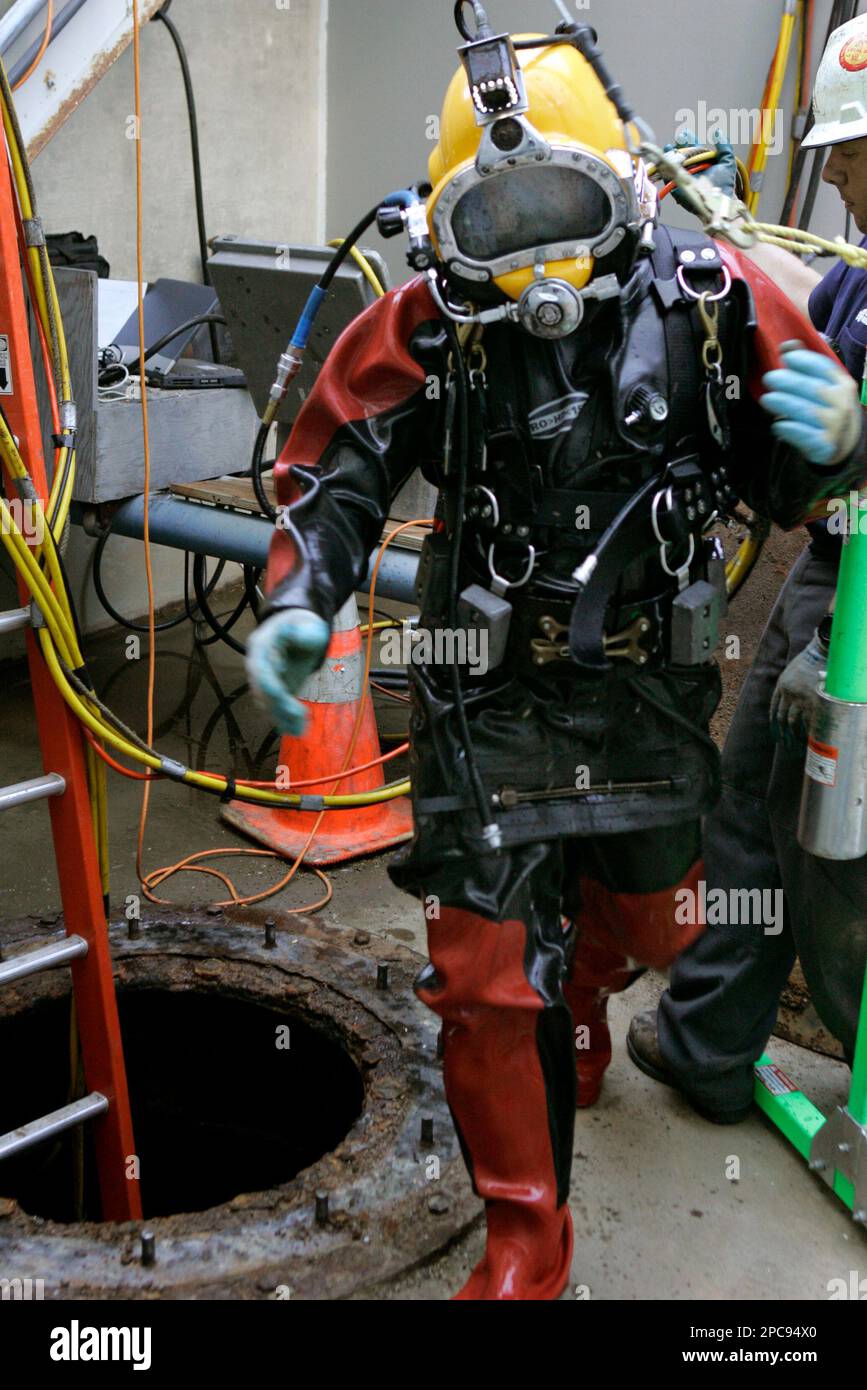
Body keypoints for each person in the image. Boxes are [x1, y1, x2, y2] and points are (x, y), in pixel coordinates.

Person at [246, 5, 867, 1299]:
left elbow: (784, 485)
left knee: (659, 918)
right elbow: (336, 468)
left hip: (643, 694)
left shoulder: (709, 302)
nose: (533, 259)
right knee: (480, 976)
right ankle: (527, 1249)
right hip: (488, 703)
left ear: (621, 187)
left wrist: (836, 439)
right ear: (447, 219)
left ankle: (579, 985)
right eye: (497, 217)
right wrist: (302, 591)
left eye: (557, 203)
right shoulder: (425, 323)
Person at [628, 13, 867, 1121]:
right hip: (836, 567)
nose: (849, 185)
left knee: (828, 837)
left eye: (861, 160)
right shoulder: (859, 282)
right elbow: (803, 314)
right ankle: (712, 1042)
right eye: (843, 162)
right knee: (748, 797)